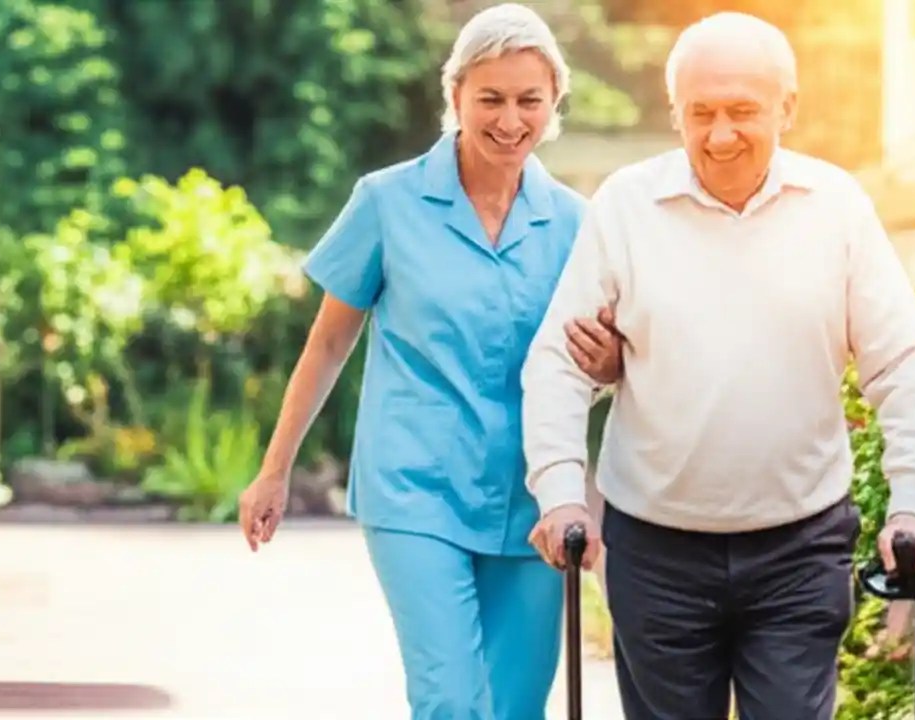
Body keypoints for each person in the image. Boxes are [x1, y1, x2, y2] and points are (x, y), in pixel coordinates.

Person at [521, 11, 915, 720]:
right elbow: (558, 364)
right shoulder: (627, 206)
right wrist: (562, 493)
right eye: (701, 113)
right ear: (676, 113)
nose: (720, 134)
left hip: (798, 546)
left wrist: (914, 501)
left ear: (787, 107)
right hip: (655, 552)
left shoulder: (836, 206)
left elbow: (901, 362)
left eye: (743, 111)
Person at [236, 4, 624, 718]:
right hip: (414, 488)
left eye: (529, 100)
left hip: (530, 496)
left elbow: (592, 367)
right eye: (492, 99)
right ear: (455, 98)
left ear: (554, 102)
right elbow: (328, 342)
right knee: (448, 697)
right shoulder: (387, 202)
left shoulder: (577, 223)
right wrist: (275, 470)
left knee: (515, 705)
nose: (511, 120)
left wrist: (606, 372)